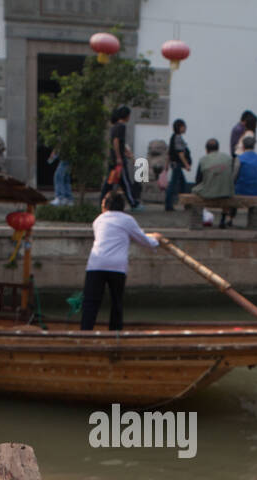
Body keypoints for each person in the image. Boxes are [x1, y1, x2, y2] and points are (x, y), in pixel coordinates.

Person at [80, 190, 160, 331]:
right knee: (116, 302)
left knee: (90, 302)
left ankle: (85, 333)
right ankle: (115, 334)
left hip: (96, 264)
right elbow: (144, 240)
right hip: (116, 267)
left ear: (106, 205)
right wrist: (156, 239)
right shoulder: (127, 220)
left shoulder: (98, 220)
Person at [100, 106, 139, 208]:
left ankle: (102, 200)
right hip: (118, 161)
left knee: (110, 182)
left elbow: (122, 145)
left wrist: (130, 155)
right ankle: (133, 203)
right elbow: (116, 142)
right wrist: (119, 157)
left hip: (114, 159)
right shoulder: (121, 127)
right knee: (125, 182)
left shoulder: (115, 126)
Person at [192, 138, 234, 227]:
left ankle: (200, 218)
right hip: (226, 192)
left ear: (206, 149)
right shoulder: (228, 158)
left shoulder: (203, 160)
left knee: (195, 191)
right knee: (225, 189)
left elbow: (198, 179)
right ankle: (223, 219)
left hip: (209, 192)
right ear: (218, 148)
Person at [231, 134, 257, 227]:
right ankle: (252, 221)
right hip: (256, 191)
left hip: (241, 190)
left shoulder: (240, 158)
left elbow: (234, 175)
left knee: (232, 192)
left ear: (243, 146)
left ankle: (230, 218)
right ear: (254, 146)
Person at [164, 118, 192, 212]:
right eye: (184, 126)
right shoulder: (178, 138)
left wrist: (167, 164)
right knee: (173, 184)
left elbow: (169, 152)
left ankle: (185, 203)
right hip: (177, 164)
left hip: (174, 164)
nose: (185, 128)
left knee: (182, 184)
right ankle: (169, 204)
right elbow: (180, 153)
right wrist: (187, 165)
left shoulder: (173, 137)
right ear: (179, 127)